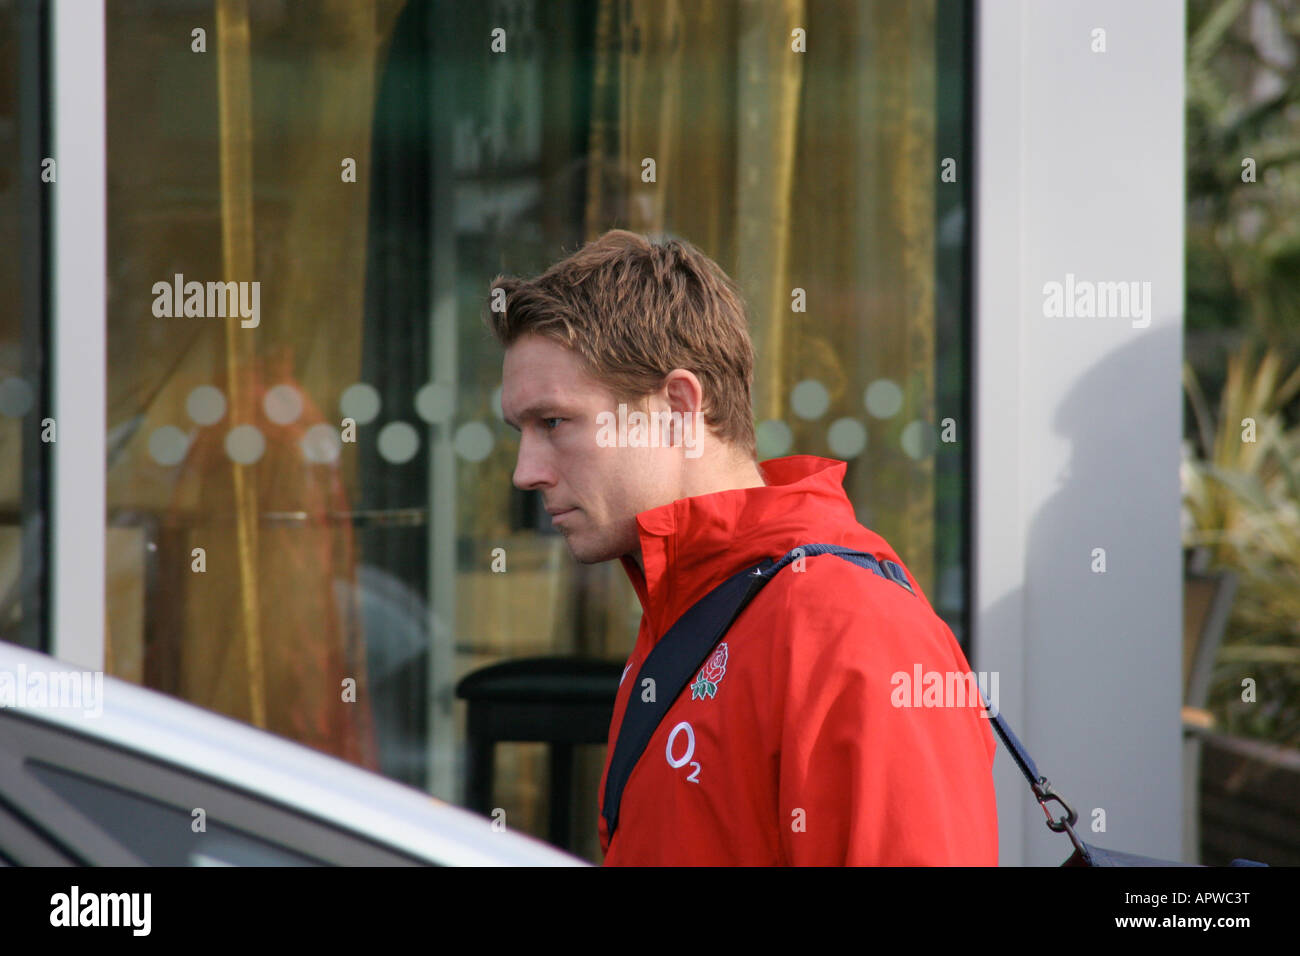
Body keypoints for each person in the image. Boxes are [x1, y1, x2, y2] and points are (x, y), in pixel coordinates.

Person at [485, 229, 997, 865]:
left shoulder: (849, 626)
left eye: (554, 423)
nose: (525, 470)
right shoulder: (692, 598)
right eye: (520, 431)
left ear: (677, 406)